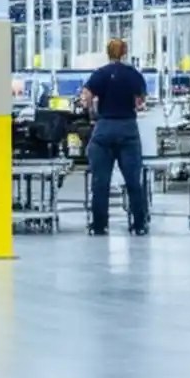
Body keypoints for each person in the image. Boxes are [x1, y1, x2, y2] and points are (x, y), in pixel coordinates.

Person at [81, 39, 148, 236]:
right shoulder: (134, 75)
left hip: (104, 128)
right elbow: (140, 102)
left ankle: (100, 225)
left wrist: (92, 110)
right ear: (125, 53)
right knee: (133, 182)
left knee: (100, 182)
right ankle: (139, 224)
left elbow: (86, 97)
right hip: (128, 128)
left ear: (107, 53)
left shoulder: (100, 74)